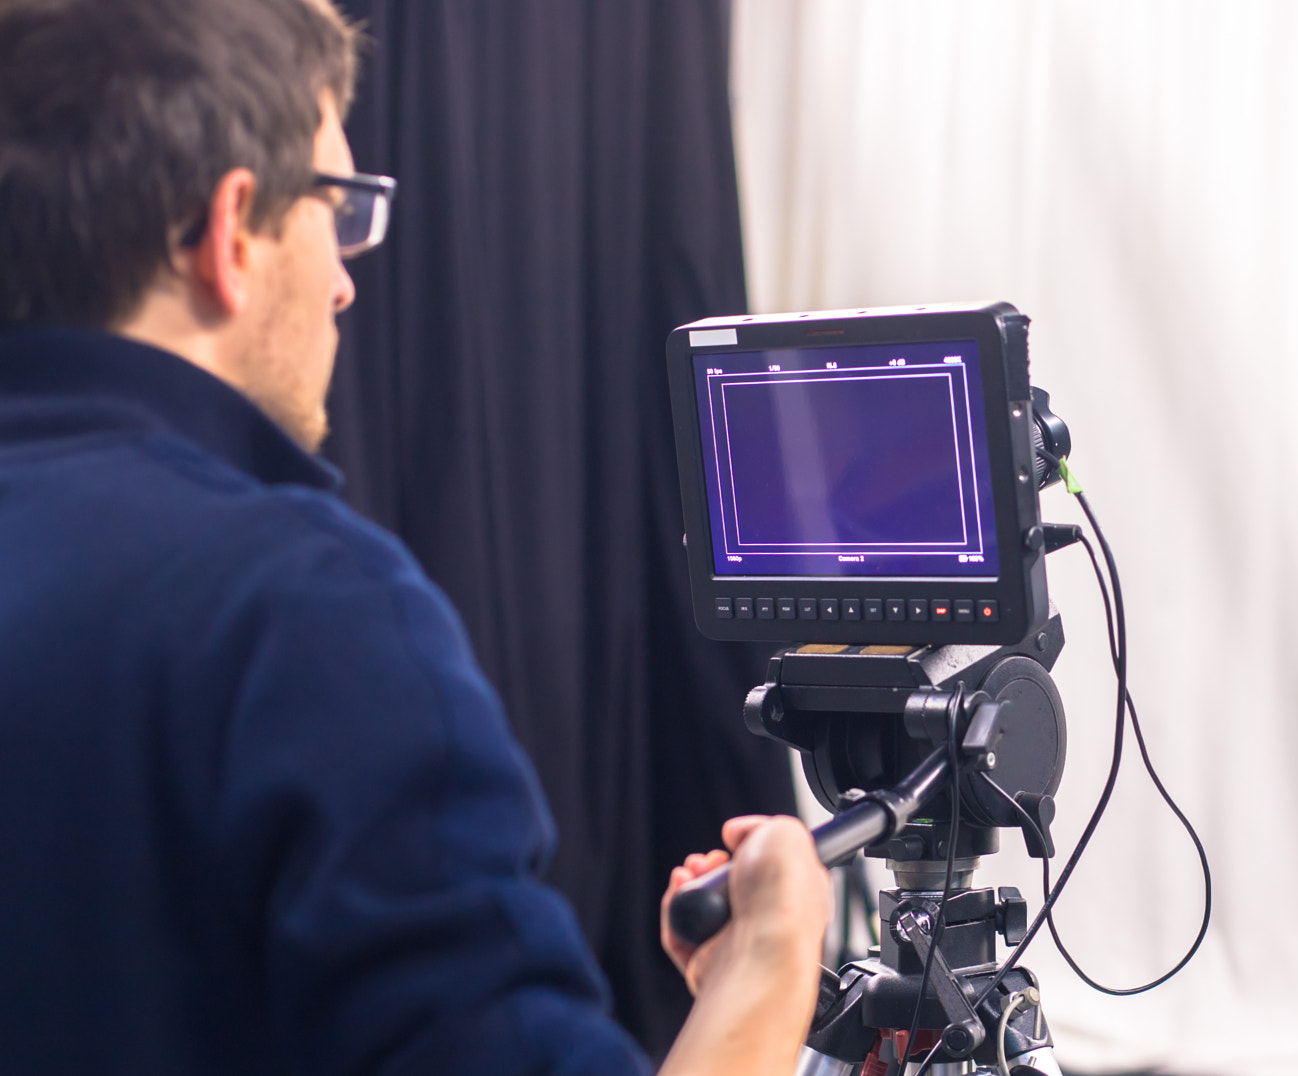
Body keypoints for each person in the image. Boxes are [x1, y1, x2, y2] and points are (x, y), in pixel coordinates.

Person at [0, 0, 831, 1072]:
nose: (346, 277)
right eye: (335, 208)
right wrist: (769, 960)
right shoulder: (297, 608)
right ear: (230, 233)